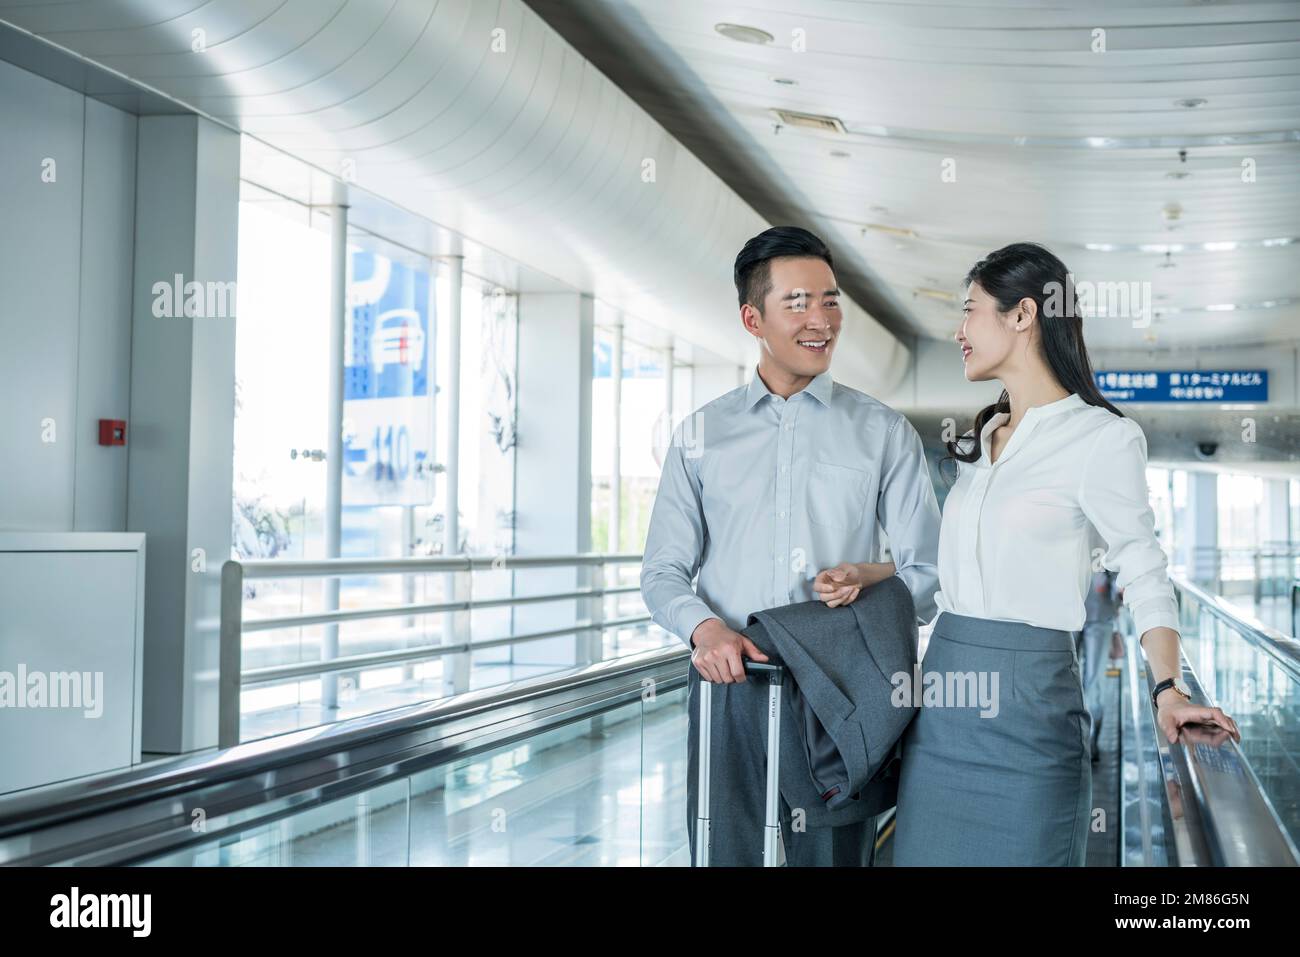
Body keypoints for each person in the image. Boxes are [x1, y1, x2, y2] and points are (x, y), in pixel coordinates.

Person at [876, 241, 1240, 866]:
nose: (959, 332)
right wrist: (872, 575)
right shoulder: (983, 437)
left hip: (1031, 710)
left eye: (970, 311)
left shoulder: (1102, 438)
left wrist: (1168, 690)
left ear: (1022, 315)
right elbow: (956, 571)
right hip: (942, 708)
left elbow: (1144, 568)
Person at [640, 225, 941, 866]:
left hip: (841, 693)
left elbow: (931, 571)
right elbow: (663, 569)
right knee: (728, 853)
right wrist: (703, 631)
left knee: (829, 859)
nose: (821, 319)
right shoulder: (701, 435)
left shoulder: (882, 432)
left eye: (831, 300)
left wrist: (872, 582)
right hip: (731, 686)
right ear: (753, 317)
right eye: (798, 302)